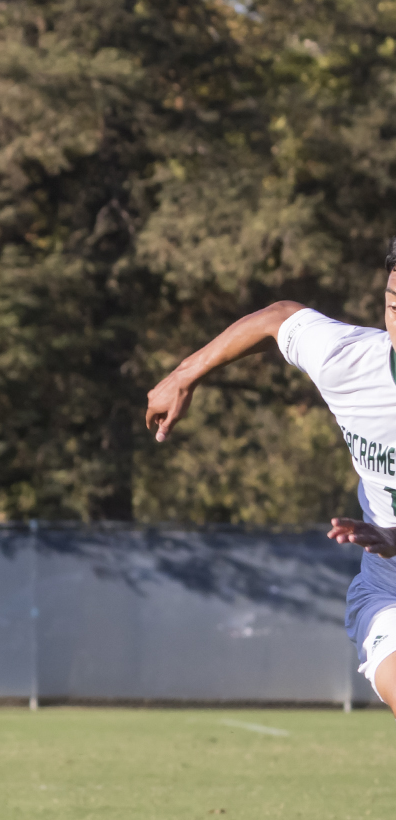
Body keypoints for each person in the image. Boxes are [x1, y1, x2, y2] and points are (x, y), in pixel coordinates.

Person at [146, 240, 396, 710]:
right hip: (390, 590)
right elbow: (276, 316)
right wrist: (185, 374)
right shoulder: (348, 360)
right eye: (394, 304)